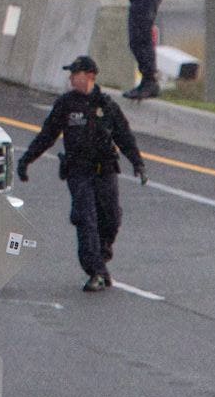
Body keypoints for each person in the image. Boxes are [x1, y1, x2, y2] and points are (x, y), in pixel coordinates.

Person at [16, 55, 146, 292]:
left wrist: (138, 163)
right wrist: (26, 160)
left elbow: (124, 137)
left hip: (105, 170)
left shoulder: (107, 106)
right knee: (86, 219)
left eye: (75, 74)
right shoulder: (66, 105)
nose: (71, 78)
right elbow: (47, 135)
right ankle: (95, 271)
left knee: (111, 219)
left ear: (89, 76)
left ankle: (101, 259)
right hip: (79, 171)